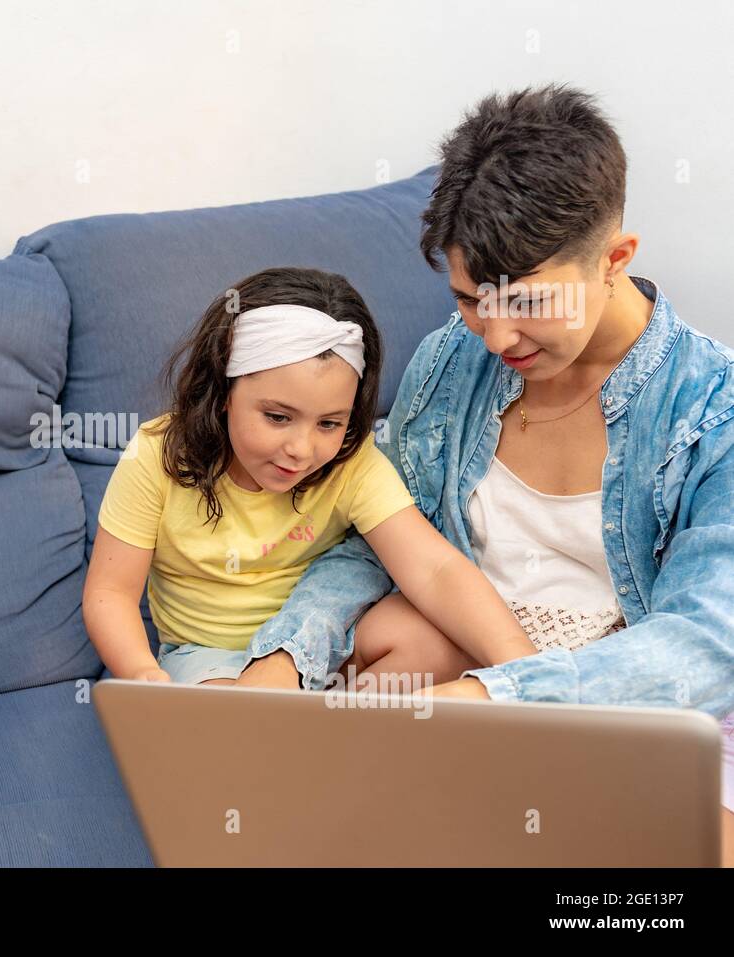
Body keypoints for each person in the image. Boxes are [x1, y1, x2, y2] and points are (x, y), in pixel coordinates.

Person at [240, 85, 734, 865]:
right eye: (471, 299)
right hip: (464, 674)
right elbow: (378, 535)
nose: (496, 334)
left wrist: (491, 703)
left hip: (617, 694)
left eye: (528, 302)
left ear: (615, 261)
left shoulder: (713, 413)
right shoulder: (450, 359)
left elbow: (707, 645)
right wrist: (284, 658)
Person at [82, 266, 536, 688]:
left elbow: (434, 569)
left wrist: (529, 673)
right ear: (222, 392)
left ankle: (329, 739)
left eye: (328, 424)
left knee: (438, 644)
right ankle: (309, 743)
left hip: (327, 644)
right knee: (241, 723)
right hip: (210, 656)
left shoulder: (351, 462)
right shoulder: (157, 453)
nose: (301, 450)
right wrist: (142, 674)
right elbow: (111, 592)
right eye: (278, 418)